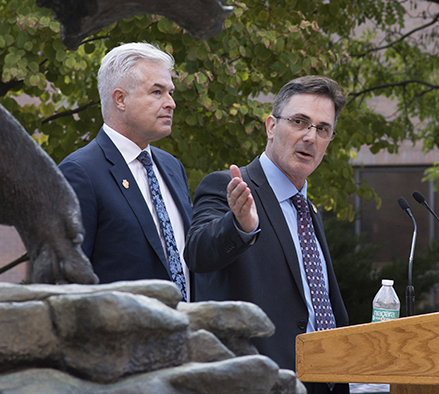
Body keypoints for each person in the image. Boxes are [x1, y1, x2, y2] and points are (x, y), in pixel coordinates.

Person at [185, 75, 349, 394]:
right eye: (299, 122)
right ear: (271, 127)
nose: (310, 137)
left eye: (322, 129)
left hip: (324, 380)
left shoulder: (308, 210)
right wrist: (240, 226)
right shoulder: (228, 188)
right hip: (258, 383)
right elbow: (198, 254)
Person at [59, 42, 193, 300]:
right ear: (120, 99)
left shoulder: (172, 167)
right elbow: (69, 285)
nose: (171, 103)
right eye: (157, 92)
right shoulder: (80, 173)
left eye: (170, 92)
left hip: (186, 334)